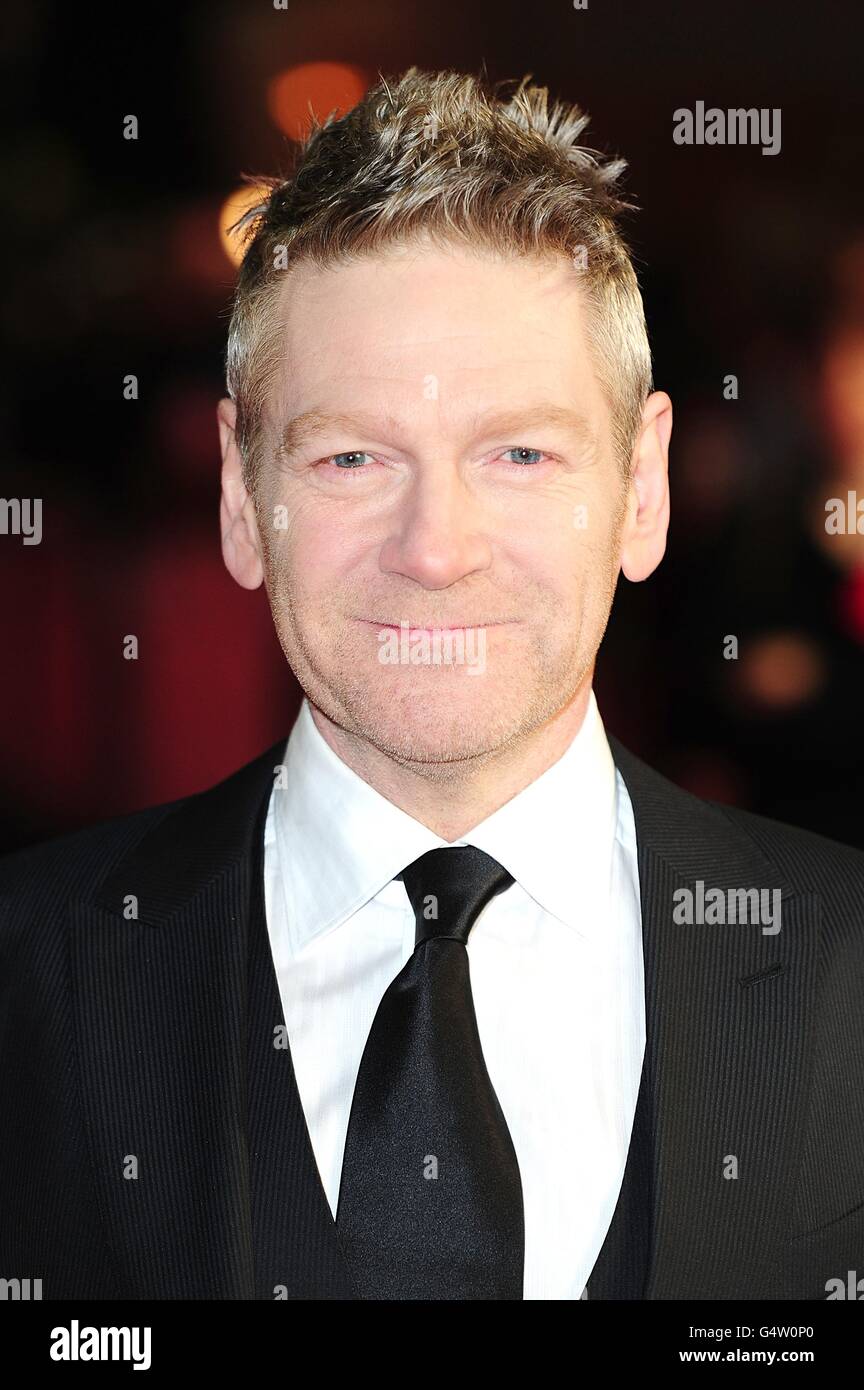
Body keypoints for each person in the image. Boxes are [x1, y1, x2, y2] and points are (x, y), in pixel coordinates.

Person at [1, 68, 862, 1302]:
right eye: (352, 456)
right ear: (247, 504)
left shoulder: (849, 970)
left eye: (519, 452)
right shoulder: (27, 978)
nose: (437, 545)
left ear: (644, 488)